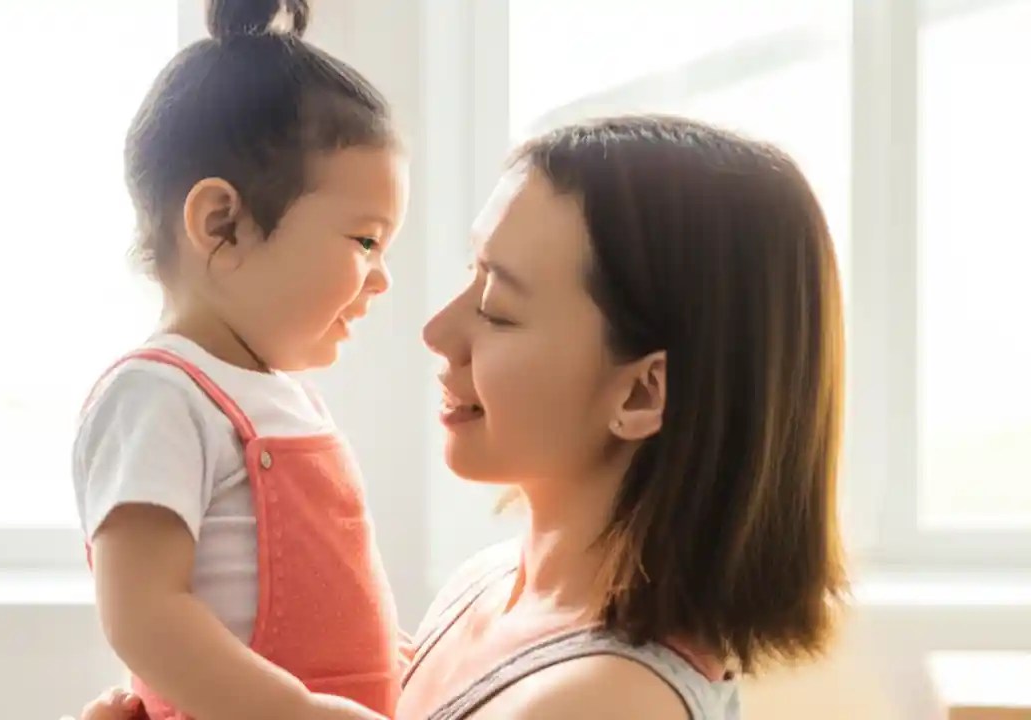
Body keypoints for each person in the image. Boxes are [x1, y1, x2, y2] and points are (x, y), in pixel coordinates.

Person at [77, 114, 846, 719]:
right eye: (468, 275)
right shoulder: (486, 587)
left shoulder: (605, 702)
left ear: (641, 393)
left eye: (498, 310)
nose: (438, 333)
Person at [72, 0, 408, 718]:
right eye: (365, 241)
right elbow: (142, 614)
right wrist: (295, 711)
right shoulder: (156, 395)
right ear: (222, 224)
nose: (382, 278)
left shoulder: (285, 397)